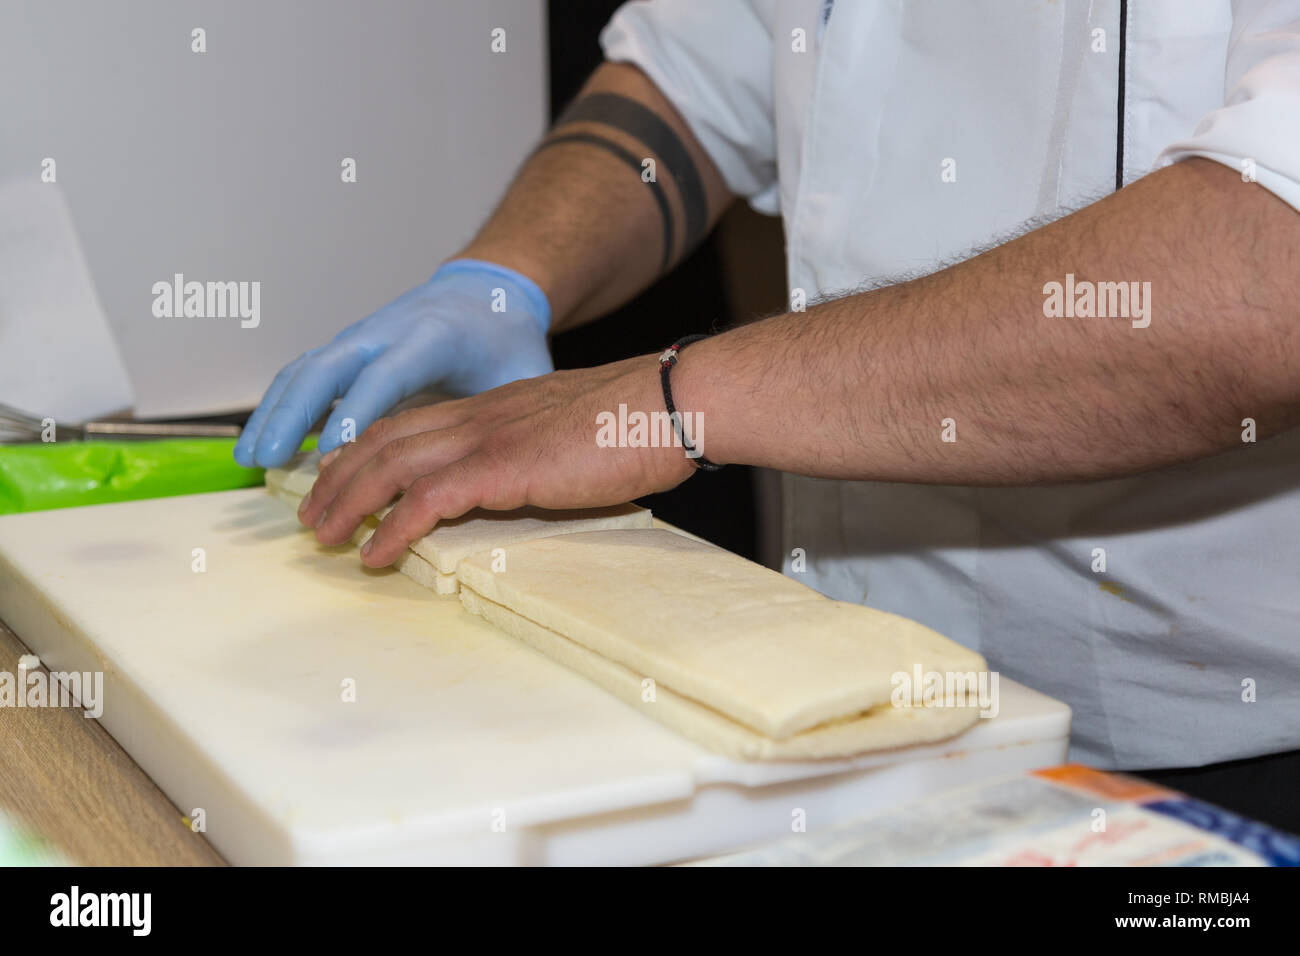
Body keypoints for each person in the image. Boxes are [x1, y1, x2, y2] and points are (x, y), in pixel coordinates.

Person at [235, 1, 1300, 830]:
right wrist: (504, 273)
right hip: (829, 706)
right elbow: (693, 82)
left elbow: (1264, 278)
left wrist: (668, 400)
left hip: (1226, 757)